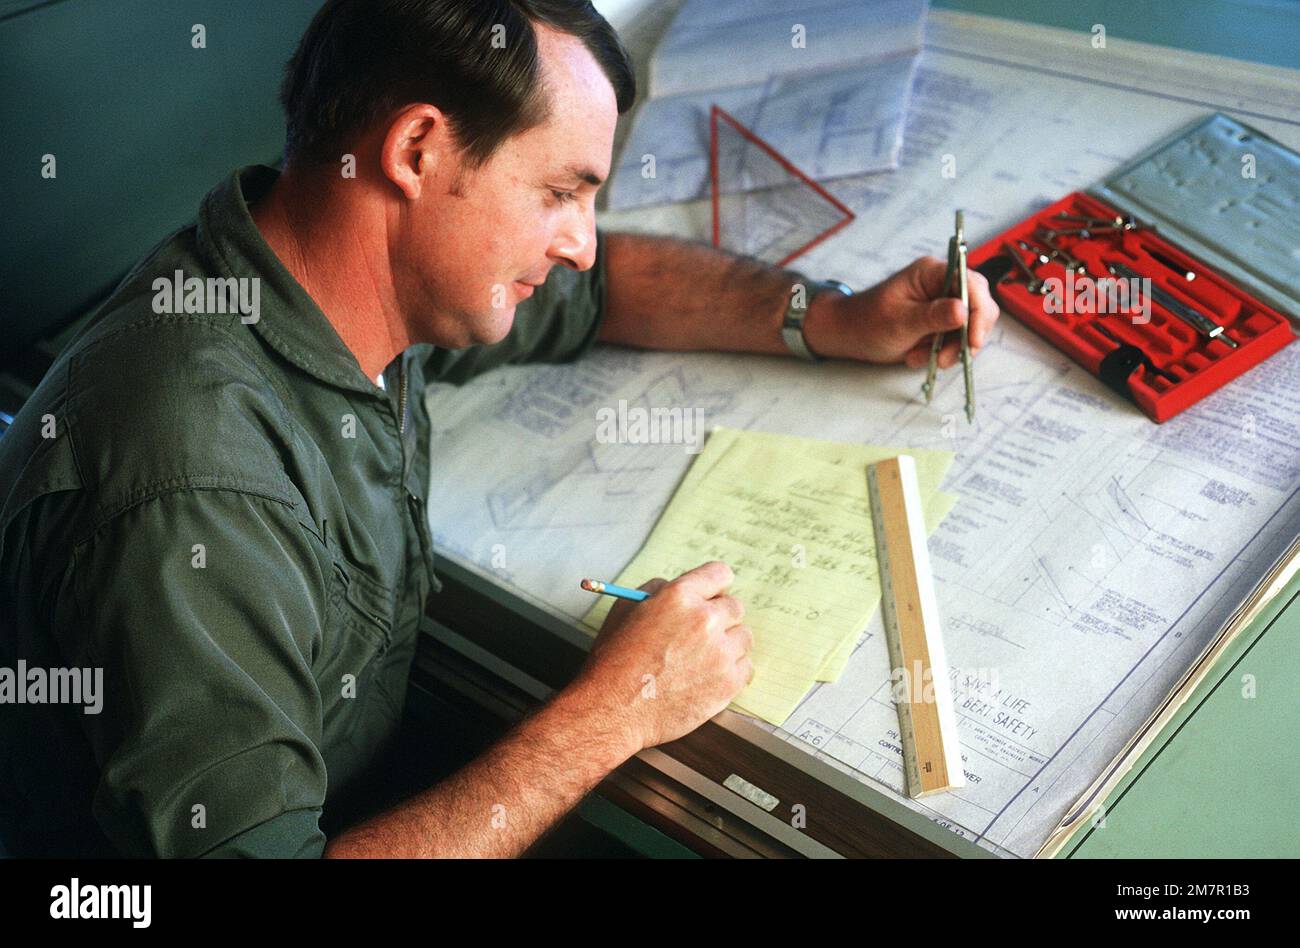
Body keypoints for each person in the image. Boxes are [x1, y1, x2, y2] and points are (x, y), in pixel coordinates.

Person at [0, 0, 998, 858]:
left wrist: (829, 320)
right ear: (417, 150)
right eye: (560, 192)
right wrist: (611, 712)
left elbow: (602, 290)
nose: (577, 239)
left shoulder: (324, 262)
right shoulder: (191, 494)